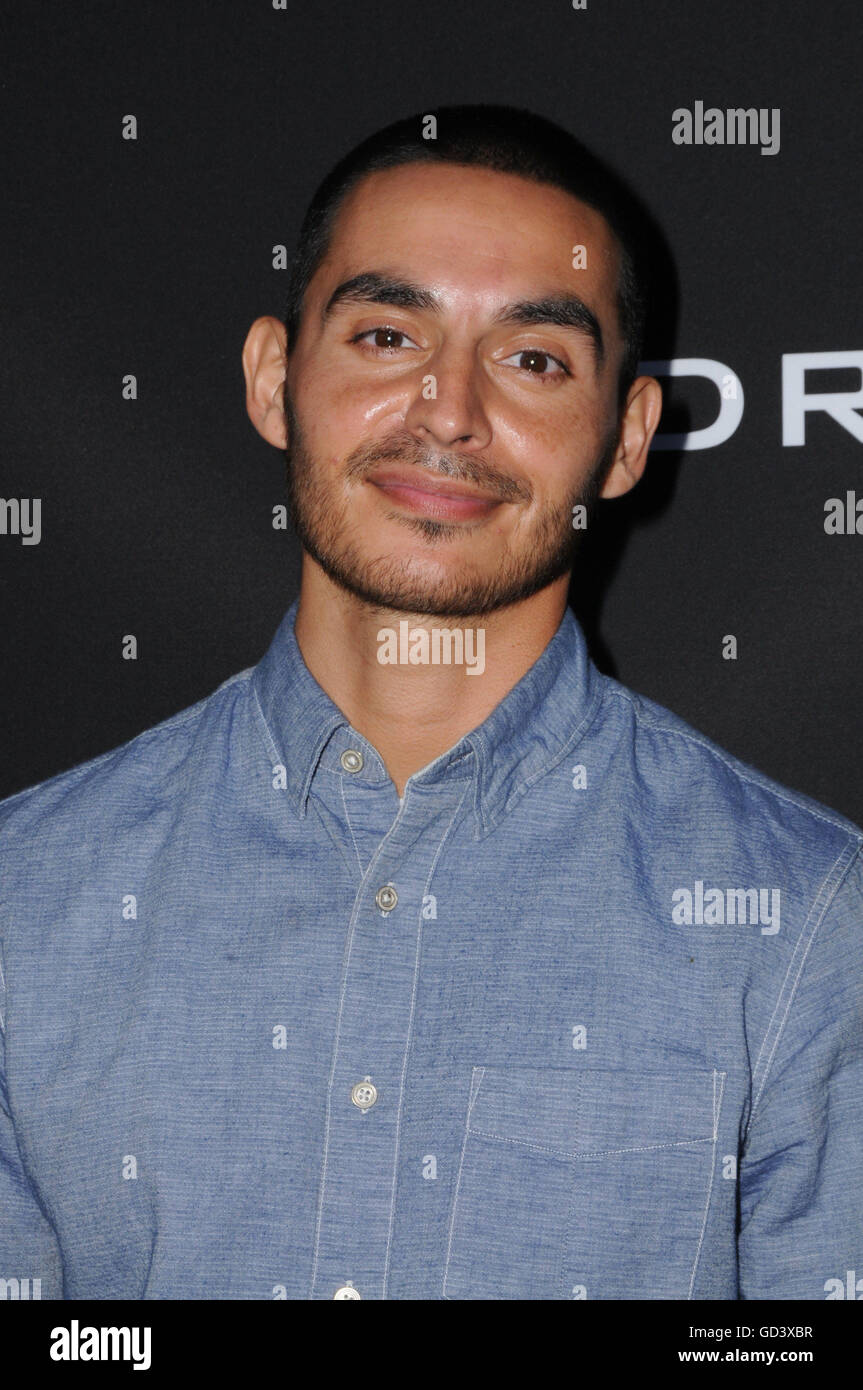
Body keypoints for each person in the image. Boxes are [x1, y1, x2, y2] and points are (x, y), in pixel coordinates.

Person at [1, 105, 860, 1302]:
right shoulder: (25, 898)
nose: (447, 410)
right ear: (272, 378)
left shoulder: (811, 924)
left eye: (533, 358)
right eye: (388, 333)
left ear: (624, 439)